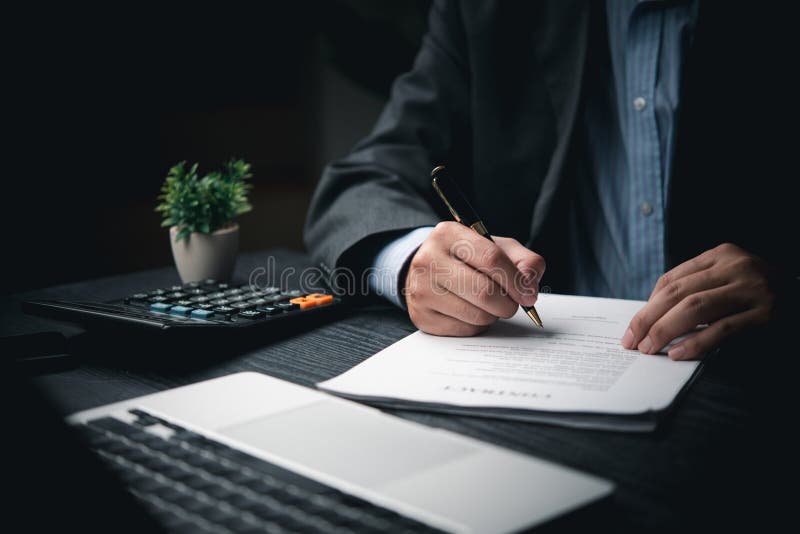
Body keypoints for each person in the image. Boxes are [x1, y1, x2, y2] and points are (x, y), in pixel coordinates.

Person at [305, 1, 797, 360]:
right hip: (547, 367)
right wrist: (414, 260)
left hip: (752, 386)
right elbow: (361, 181)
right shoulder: (488, 14)